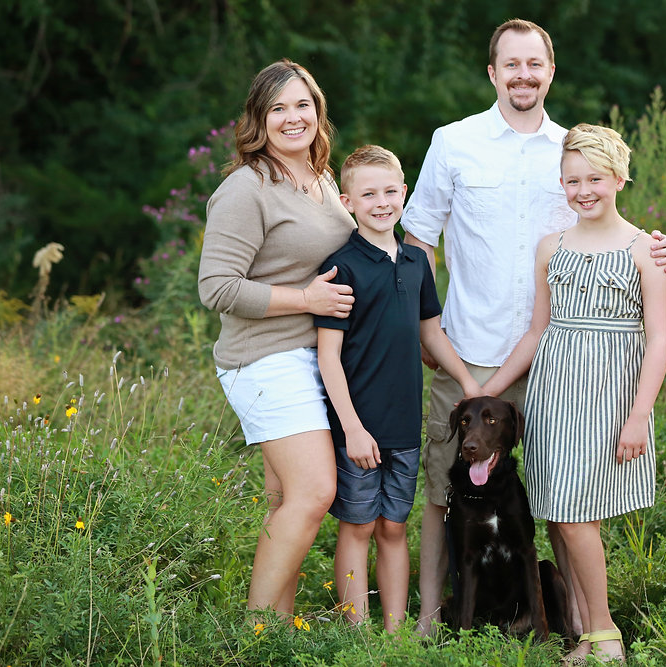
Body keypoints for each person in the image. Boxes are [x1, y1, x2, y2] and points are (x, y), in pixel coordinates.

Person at [401, 19, 666, 637]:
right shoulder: (454, 141)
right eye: (511, 64)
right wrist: (426, 329)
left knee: (559, 497)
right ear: (492, 72)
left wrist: (658, 249)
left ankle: (577, 624)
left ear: (551, 71)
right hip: (467, 351)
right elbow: (418, 239)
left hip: (557, 364)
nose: (523, 75)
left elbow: (606, 225)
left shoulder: (571, 151)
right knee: (447, 489)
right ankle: (429, 616)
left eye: (535, 64)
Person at [482, 123, 666, 662]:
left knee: (574, 514)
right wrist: (486, 393)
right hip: (554, 396)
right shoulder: (551, 247)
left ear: (619, 178)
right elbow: (538, 330)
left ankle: (605, 634)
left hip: (609, 400)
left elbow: (659, 339)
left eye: (595, 178)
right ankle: (583, 627)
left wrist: (638, 416)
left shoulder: (645, 250)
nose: (583, 190)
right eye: (571, 181)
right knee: (559, 511)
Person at [197, 59, 357, 617]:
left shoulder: (322, 179)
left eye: (302, 105)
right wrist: (305, 301)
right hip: (263, 359)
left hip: (316, 356)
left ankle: (280, 630)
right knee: (315, 493)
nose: (293, 118)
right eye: (277, 109)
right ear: (257, 121)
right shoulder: (247, 188)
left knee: (288, 500)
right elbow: (216, 287)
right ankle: (256, 631)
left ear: (318, 112)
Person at [315, 145, 482, 632]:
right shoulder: (341, 268)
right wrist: (352, 429)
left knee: (393, 526)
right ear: (348, 201)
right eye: (368, 194)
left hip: (405, 424)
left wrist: (469, 382)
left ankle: (392, 635)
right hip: (360, 427)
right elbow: (328, 357)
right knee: (359, 525)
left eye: (390, 191)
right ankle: (355, 634)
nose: (381, 202)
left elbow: (431, 333)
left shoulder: (415, 262)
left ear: (405, 193)